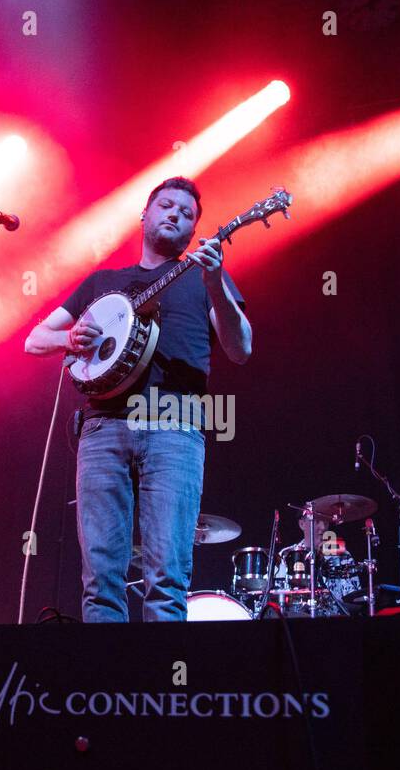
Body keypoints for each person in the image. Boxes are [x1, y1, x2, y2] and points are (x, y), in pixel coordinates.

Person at [24, 176, 252, 622]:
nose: (175, 215)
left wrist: (215, 283)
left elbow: (241, 348)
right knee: (100, 582)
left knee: (167, 580)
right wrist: (70, 337)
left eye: (186, 214)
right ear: (144, 214)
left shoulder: (205, 278)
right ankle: (109, 670)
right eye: (166, 206)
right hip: (102, 426)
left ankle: (162, 669)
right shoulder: (102, 282)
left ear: (193, 231)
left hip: (176, 424)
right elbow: (34, 339)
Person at [274, 510, 361, 615]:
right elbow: (277, 598)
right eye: (316, 521)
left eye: (326, 521)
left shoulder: (342, 555)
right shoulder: (286, 555)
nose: (323, 527)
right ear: (302, 524)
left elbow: (352, 598)